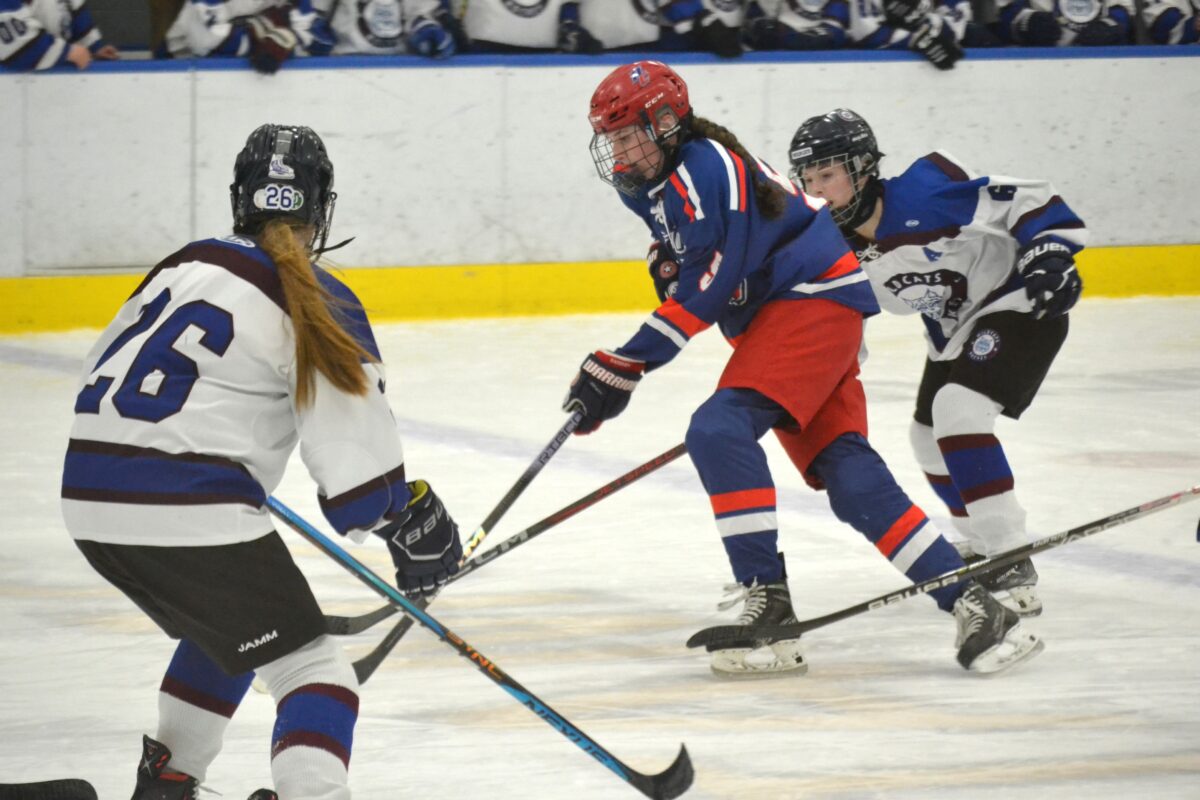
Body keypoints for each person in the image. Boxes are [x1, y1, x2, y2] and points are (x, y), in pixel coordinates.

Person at [567, 60, 1042, 678]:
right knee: (849, 477)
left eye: (630, 133)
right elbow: (694, 260)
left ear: (664, 121)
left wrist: (624, 363)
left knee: (718, 429)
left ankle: (766, 602)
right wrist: (664, 264)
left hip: (811, 305)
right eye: (612, 138)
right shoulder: (650, 184)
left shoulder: (704, 164)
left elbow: (710, 290)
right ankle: (976, 604)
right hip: (793, 318)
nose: (620, 150)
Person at [61, 124, 463, 799]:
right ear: (322, 208)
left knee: (229, 634)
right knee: (317, 672)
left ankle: (166, 784)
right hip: (186, 509)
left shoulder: (183, 264)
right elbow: (360, 492)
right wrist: (411, 520)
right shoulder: (318, 297)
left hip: (89, 501)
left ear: (239, 200)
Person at [787, 108, 1088, 620]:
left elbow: (1025, 198)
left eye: (829, 175)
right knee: (925, 437)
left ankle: (1009, 555)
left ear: (862, 169)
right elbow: (839, 324)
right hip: (953, 333)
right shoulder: (830, 247)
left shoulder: (924, 196)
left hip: (1017, 303)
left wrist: (1051, 253)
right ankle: (973, 542)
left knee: (958, 411)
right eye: (809, 180)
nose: (818, 191)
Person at [158, 0, 334, 73]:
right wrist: (260, 33)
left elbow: (319, 42)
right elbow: (205, 42)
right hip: (177, 77)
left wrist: (285, 37)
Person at [312, 0, 464, 58]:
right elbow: (314, 17)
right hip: (343, 62)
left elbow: (419, 12)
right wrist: (312, 36)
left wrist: (425, 27)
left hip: (403, 66)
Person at [0, 0, 118, 72]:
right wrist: (67, 52)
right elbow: (18, 52)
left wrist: (93, 51)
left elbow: (77, 21)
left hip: (55, 89)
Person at [992, 0, 1134, 45]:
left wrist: (1109, 26)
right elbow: (1006, 15)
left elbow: (1122, 10)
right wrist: (1027, 21)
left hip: (1104, 60)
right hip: (1038, 60)